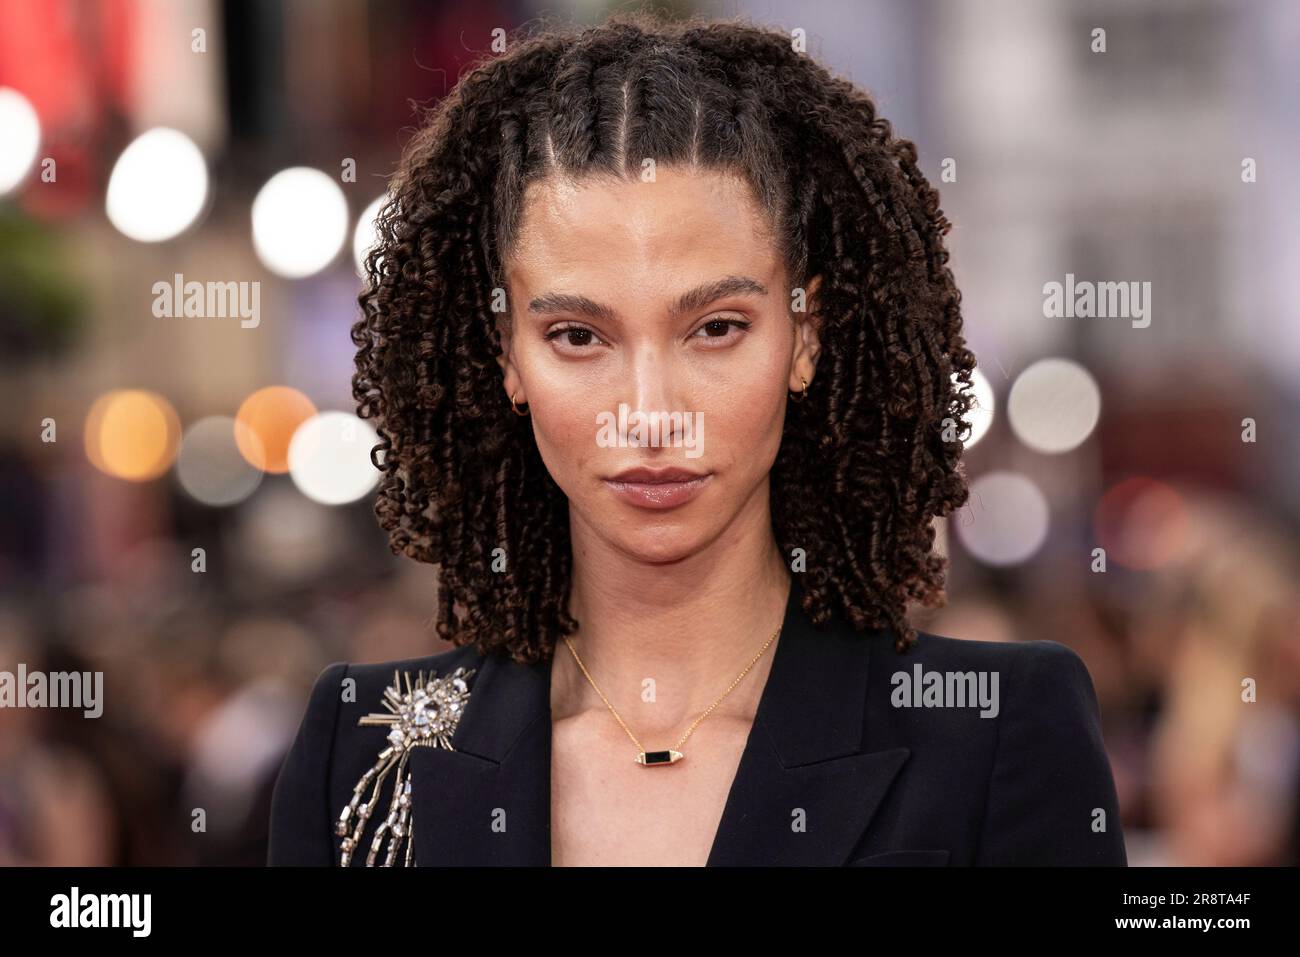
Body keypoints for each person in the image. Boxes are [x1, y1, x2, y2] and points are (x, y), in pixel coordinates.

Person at [268, 12, 1126, 867]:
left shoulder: (995, 736)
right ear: (507, 357)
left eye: (715, 327)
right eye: (577, 336)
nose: (649, 412)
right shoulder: (363, 759)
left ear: (806, 336)